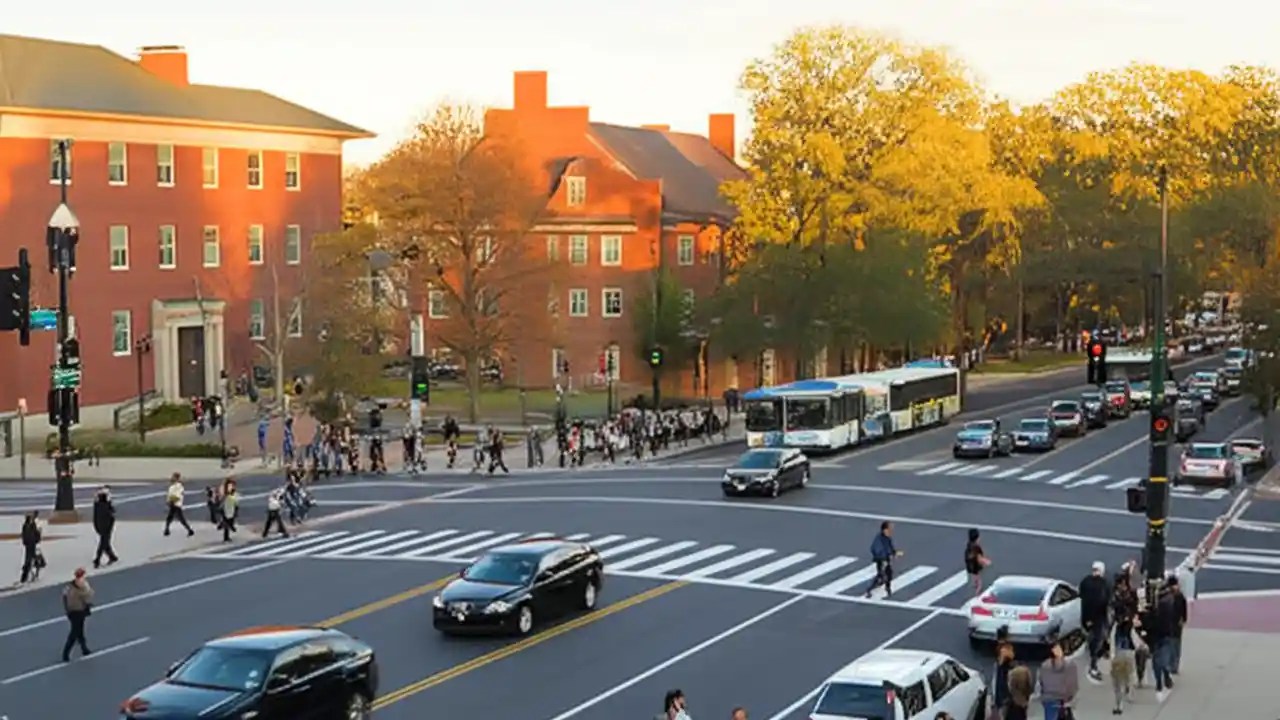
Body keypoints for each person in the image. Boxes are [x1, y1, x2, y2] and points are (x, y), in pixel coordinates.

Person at [1079, 560, 1111, 683]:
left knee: (1090, 637)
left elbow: (1081, 596)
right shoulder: (1105, 584)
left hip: (1086, 617)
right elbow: (1106, 601)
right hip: (1099, 618)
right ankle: (1093, 663)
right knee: (1098, 639)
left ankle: (1093, 656)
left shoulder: (1085, 582)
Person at [1110, 609, 1142, 715]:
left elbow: (1112, 642)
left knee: (1117, 682)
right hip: (1129, 654)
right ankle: (1129, 691)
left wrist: (1112, 656)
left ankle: (1118, 704)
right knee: (1130, 675)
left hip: (1118, 655)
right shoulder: (1130, 628)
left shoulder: (1115, 628)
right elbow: (1136, 641)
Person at [1037, 638, 1078, 720]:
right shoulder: (1070, 665)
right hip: (1063, 702)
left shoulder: (1044, 665)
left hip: (1049, 701)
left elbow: (1040, 684)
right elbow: (1073, 686)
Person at [61, 567, 94, 662]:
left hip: (74, 611)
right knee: (75, 632)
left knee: (80, 630)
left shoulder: (69, 587)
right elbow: (88, 596)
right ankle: (66, 653)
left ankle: (84, 648)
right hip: (77, 611)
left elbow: (64, 596)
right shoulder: (81, 587)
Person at [864, 521, 903, 599]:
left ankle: (887, 588)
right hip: (881, 560)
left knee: (889, 574)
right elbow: (876, 549)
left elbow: (890, 547)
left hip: (886, 559)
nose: (891, 531)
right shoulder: (879, 539)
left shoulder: (887, 538)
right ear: (885, 530)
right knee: (880, 576)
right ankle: (869, 590)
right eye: (890, 529)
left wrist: (894, 553)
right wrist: (883, 559)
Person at [1165, 575, 1188, 674]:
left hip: (1176, 623)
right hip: (1168, 623)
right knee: (1170, 644)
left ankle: (1174, 665)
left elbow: (1184, 609)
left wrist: (1183, 620)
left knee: (1175, 645)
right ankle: (1170, 664)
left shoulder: (1179, 596)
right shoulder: (1168, 595)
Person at [91, 486, 119, 568]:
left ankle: (103, 558)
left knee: (104, 541)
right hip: (106, 525)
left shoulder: (97, 504)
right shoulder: (105, 505)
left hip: (101, 524)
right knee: (104, 542)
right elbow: (112, 511)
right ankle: (105, 557)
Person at [163, 473, 194, 537]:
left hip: (176, 504)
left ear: (177, 478)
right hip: (172, 504)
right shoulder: (172, 486)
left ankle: (189, 530)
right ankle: (167, 530)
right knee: (171, 517)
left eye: (173, 477)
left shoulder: (179, 486)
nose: (171, 478)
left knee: (179, 518)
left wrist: (171, 501)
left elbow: (177, 496)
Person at [991, 641, 1014, 719]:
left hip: (1006, 701)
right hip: (1001, 701)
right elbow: (994, 682)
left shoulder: (1008, 669)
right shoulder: (997, 666)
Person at [964, 528, 990, 594]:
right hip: (976, 569)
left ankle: (975, 593)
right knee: (979, 585)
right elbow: (979, 558)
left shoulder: (969, 545)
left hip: (970, 569)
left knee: (973, 584)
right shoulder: (976, 547)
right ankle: (977, 596)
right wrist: (987, 562)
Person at [19, 511, 42, 584]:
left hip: (32, 545)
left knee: (31, 560)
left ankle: (30, 575)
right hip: (29, 545)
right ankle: (25, 577)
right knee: (29, 561)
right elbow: (25, 535)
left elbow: (36, 533)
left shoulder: (31, 525)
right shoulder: (27, 526)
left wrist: (37, 539)